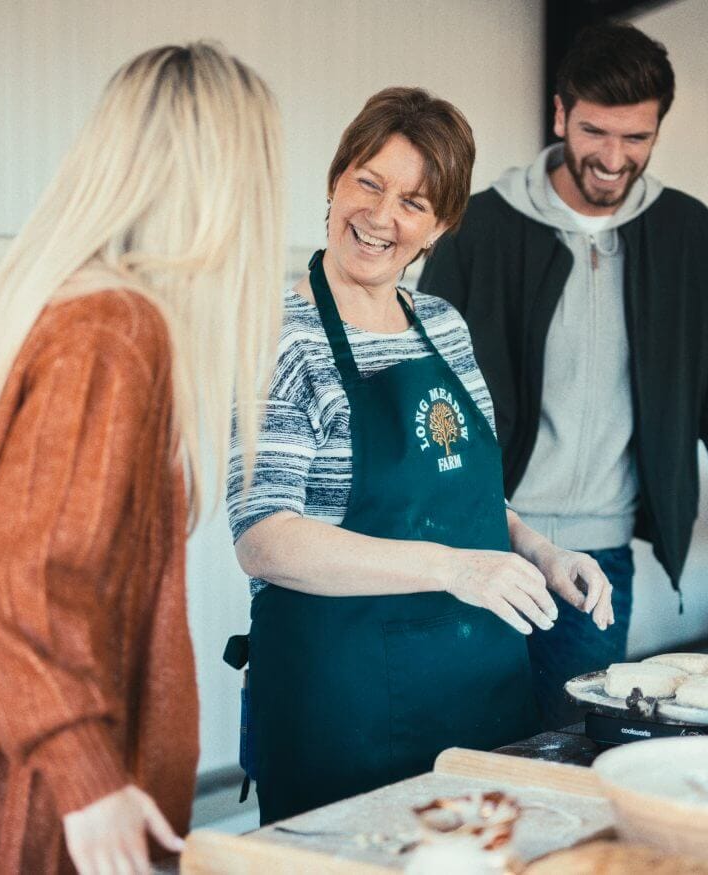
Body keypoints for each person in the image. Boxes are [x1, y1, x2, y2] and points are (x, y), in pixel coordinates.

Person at [419, 21, 708, 728]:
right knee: (464, 749)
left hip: (595, 561)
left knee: (579, 749)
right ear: (559, 115)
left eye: (636, 138)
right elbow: (423, 393)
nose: (612, 157)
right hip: (481, 543)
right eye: (594, 131)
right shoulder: (481, 227)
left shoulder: (685, 234)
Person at [0, 43, 286, 875]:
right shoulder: (112, 331)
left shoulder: (61, 305)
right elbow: (26, 586)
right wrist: (87, 775)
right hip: (50, 810)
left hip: (20, 785)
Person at [226, 87, 615, 825]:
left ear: (440, 226)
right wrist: (453, 568)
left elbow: (470, 500)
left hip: (481, 697)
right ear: (335, 182)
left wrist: (540, 552)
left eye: (413, 202)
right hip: (342, 714)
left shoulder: (443, 325)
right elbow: (263, 539)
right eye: (368, 183)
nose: (381, 217)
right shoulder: (280, 335)